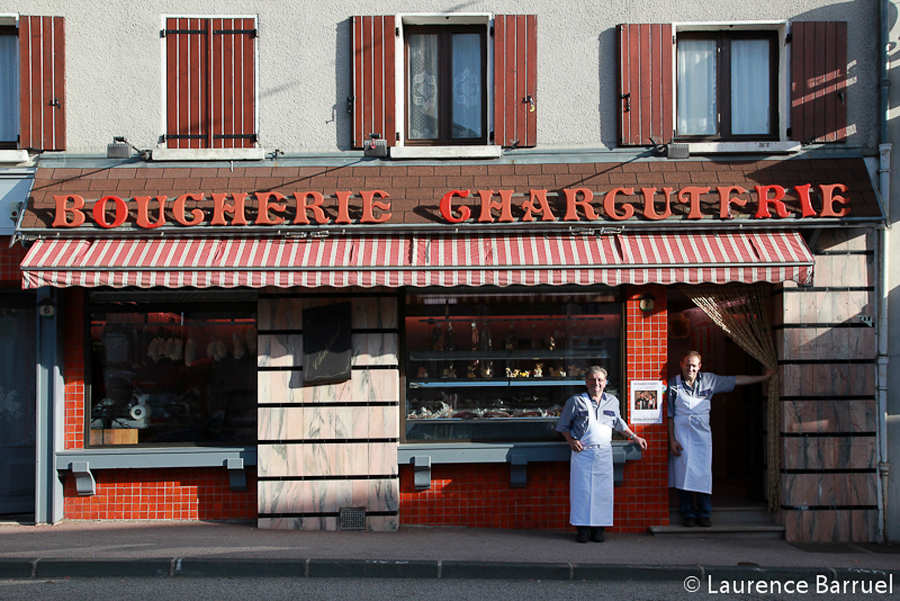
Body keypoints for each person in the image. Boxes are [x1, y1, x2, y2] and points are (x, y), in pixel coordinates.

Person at [667, 350, 776, 528]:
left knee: (703, 475)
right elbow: (670, 416)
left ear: (699, 366)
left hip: (702, 437)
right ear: (681, 364)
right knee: (683, 475)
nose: (691, 368)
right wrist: (672, 440)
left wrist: (763, 378)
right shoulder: (673, 384)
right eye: (688, 364)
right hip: (681, 435)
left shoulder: (710, 380)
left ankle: (704, 513)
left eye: (694, 365)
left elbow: (736, 380)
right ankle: (688, 513)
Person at [555, 366, 648, 543]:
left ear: (605, 383)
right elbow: (562, 425)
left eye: (600, 380)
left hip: (604, 453)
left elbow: (618, 423)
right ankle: (582, 531)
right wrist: (571, 441)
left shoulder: (612, 401)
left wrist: (635, 437)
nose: (596, 383)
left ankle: (599, 530)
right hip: (583, 453)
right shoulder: (576, 401)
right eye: (592, 379)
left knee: (602, 493)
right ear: (586, 382)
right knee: (582, 492)